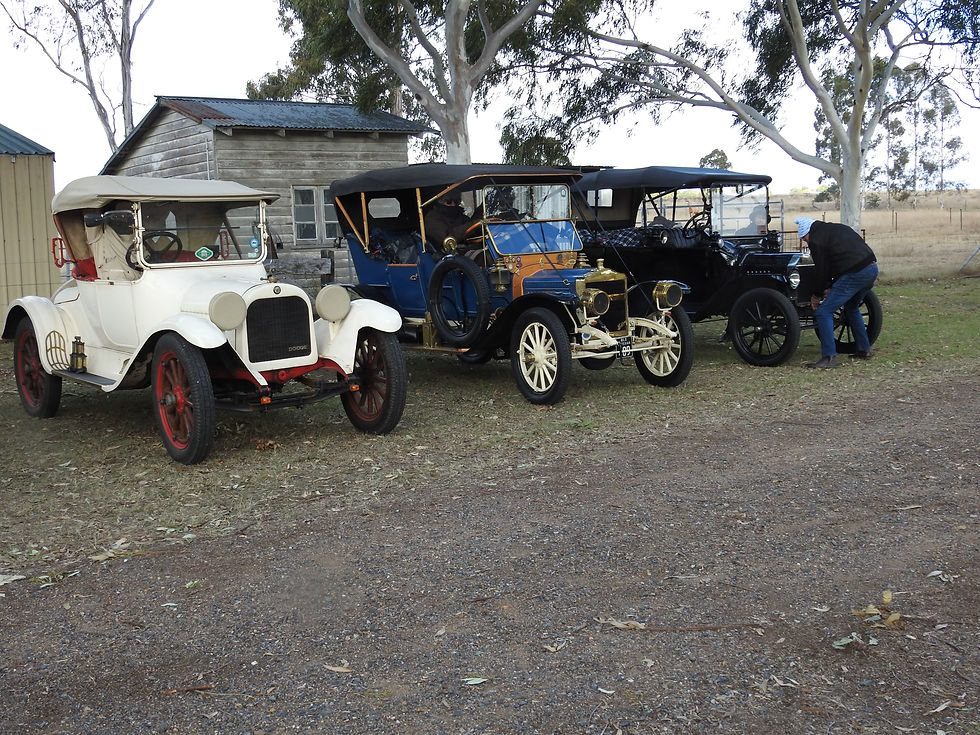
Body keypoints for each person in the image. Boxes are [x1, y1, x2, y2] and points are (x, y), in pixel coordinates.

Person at [796, 216, 878, 369]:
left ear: (807, 233)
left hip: (855, 272)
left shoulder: (816, 240)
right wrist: (832, 285)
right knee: (852, 307)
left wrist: (817, 294)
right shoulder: (837, 228)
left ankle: (829, 357)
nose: (806, 241)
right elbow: (842, 258)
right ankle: (863, 349)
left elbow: (822, 270)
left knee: (823, 312)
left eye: (804, 239)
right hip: (872, 268)